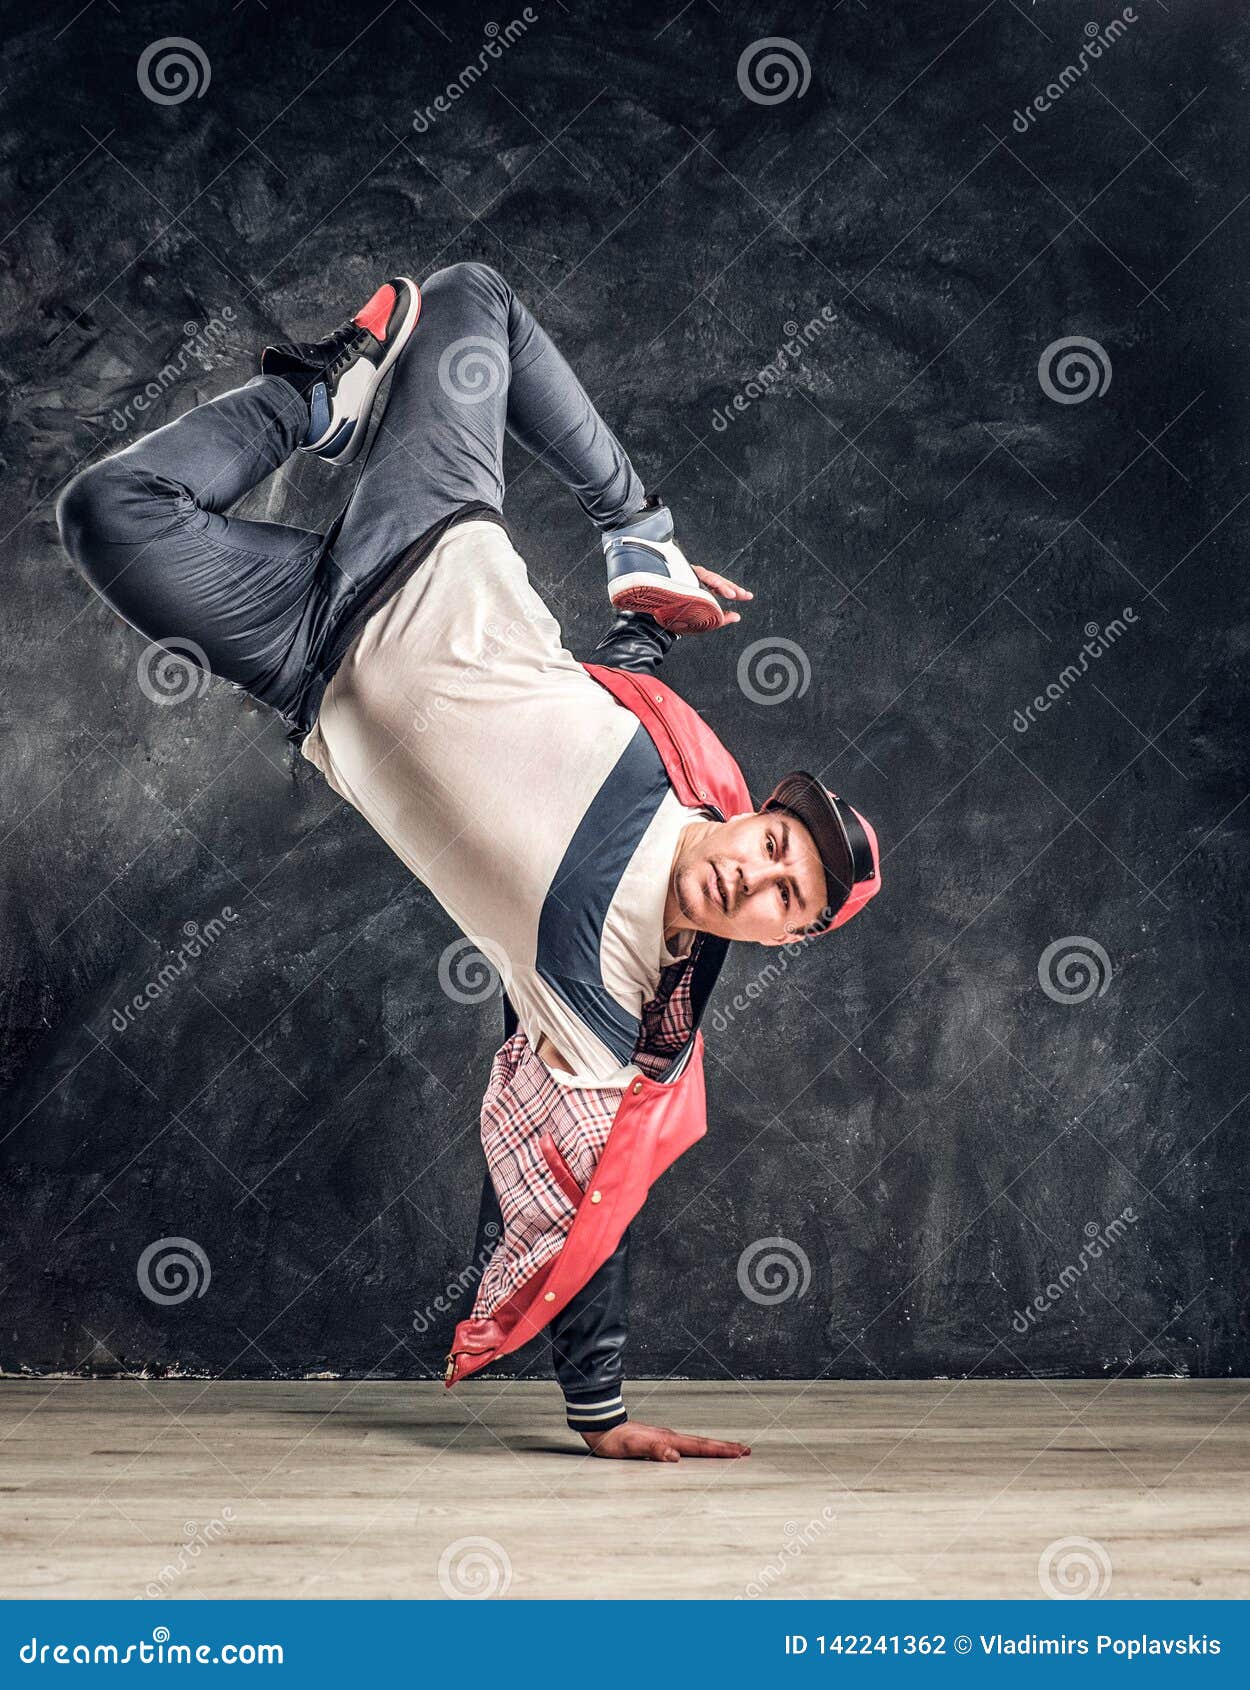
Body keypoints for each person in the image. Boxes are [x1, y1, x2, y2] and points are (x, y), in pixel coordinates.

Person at [57, 262, 882, 1463]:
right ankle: (340, 404)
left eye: (783, 900)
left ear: (783, 939)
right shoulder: (675, 760)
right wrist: (640, 557)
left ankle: (307, 408)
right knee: (469, 297)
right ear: (756, 813)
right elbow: (622, 669)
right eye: (772, 847)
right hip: (432, 536)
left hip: (307, 659)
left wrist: (597, 1411)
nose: (755, 878)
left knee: (108, 512)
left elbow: (599, 1209)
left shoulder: (612, 1013)